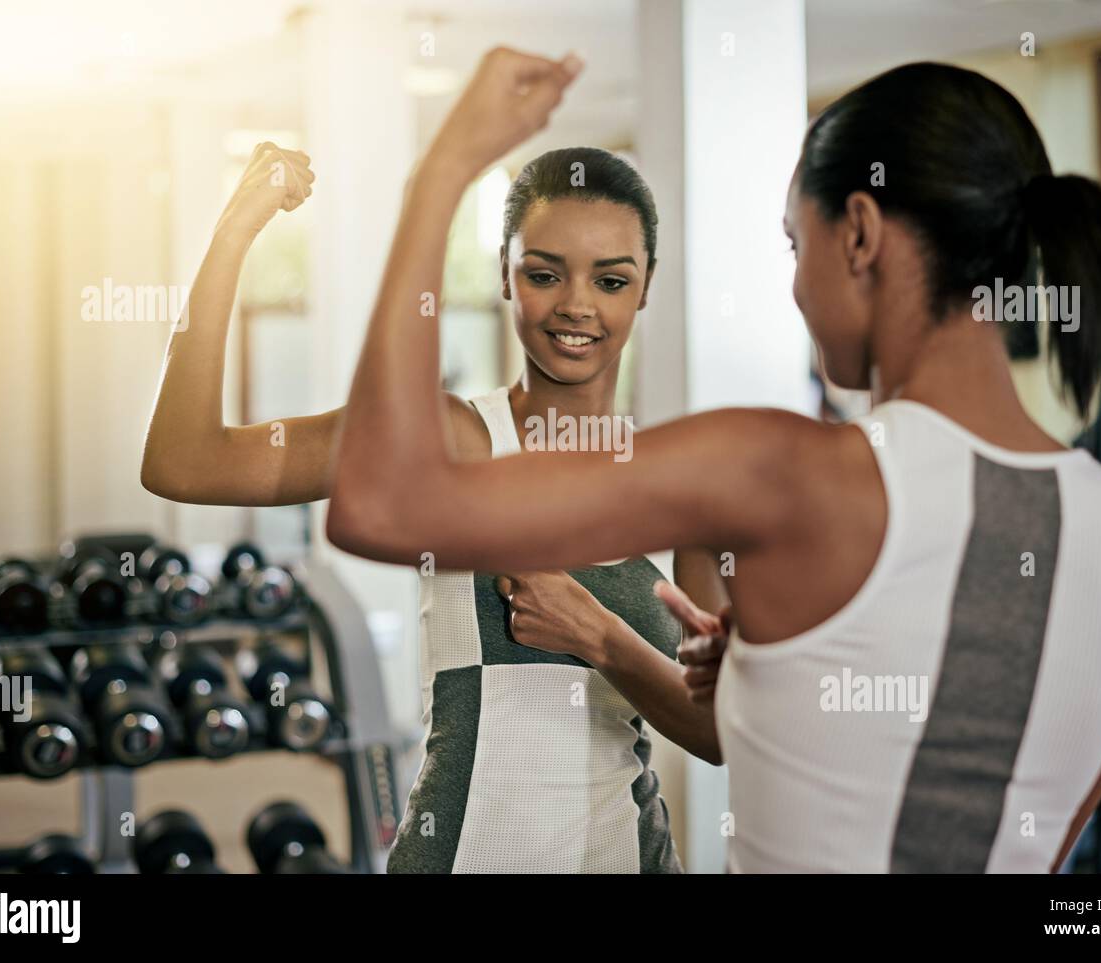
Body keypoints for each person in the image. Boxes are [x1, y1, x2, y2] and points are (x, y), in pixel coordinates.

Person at [325, 49, 1101, 873]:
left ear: (859, 233)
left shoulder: (779, 467)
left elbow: (380, 504)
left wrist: (439, 175)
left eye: (794, 243)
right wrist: (769, 687)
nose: (793, 283)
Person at [140, 141, 724, 873]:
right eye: (544, 273)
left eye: (611, 279)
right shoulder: (449, 439)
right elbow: (184, 461)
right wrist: (231, 237)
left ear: (644, 287)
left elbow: (718, 728)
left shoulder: (688, 488)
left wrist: (602, 635)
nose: (577, 305)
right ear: (504, 277)